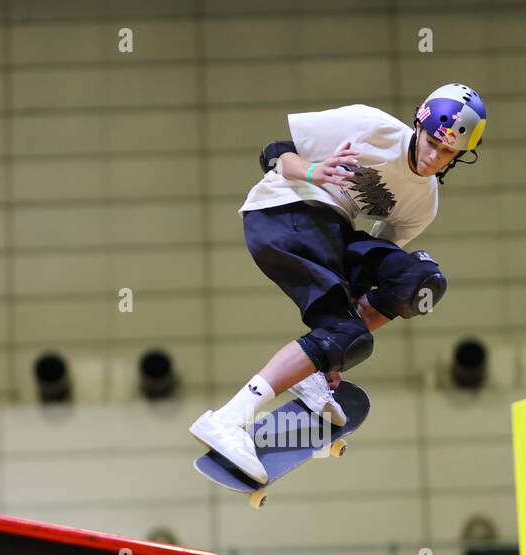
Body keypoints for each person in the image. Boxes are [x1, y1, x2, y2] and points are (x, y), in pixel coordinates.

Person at [190, 85, 487, 481]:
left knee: (418, 283)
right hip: (285, 211)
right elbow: (275, 151)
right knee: (345, 333)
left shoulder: (424, 203)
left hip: (335, 234)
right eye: (432, 142)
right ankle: (229, 419)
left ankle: (316, 369)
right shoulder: (371, 126)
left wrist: (336, 347)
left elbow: (378, 267)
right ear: (419, 124)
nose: (434, 157)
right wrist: (314, 171)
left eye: (448, 152)